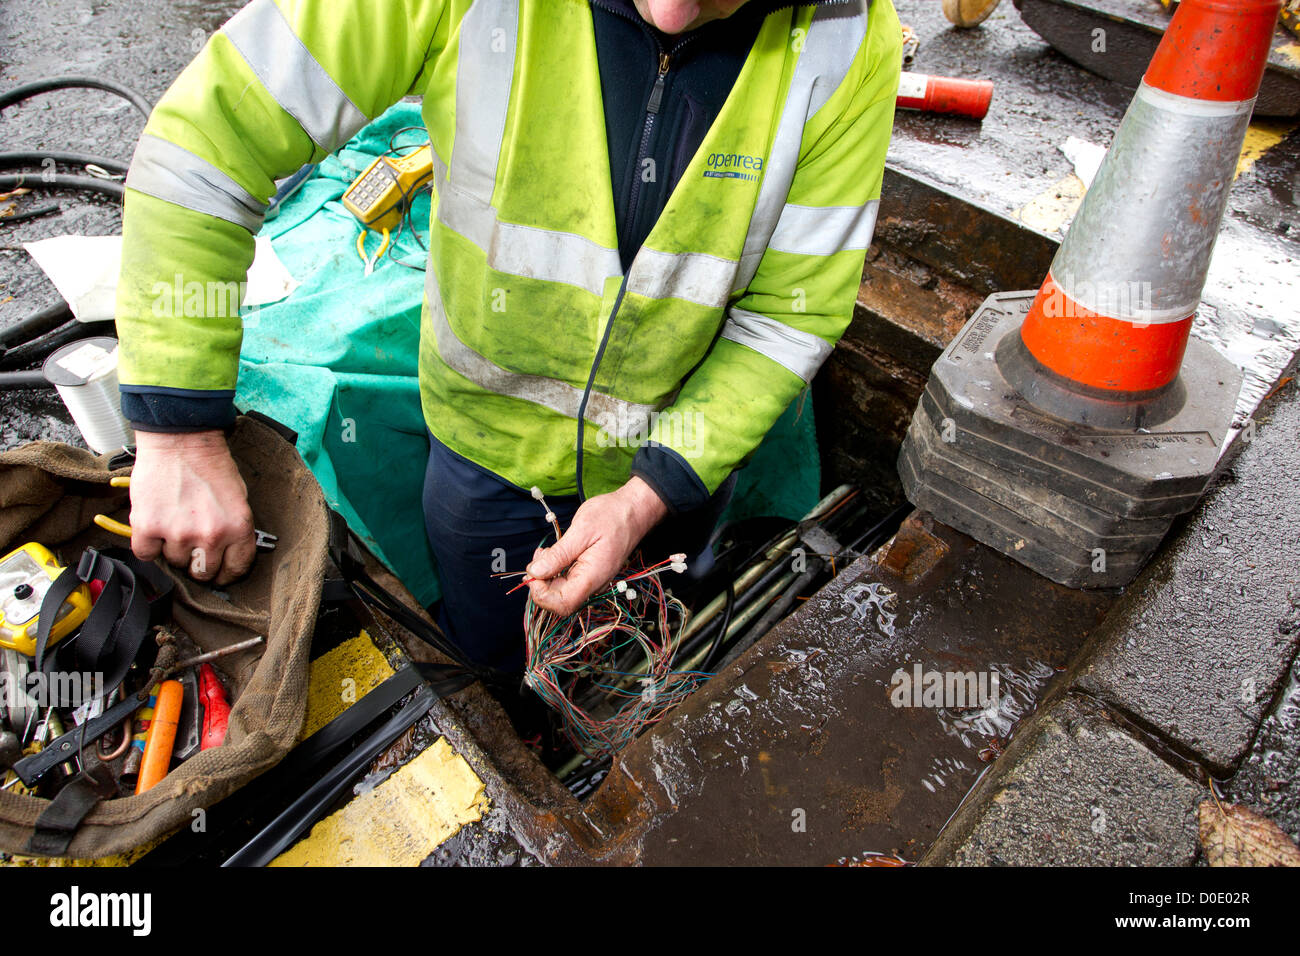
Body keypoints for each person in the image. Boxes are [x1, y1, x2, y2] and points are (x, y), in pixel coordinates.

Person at [114, 0, 902, 675]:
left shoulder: (844, 35)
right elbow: (206, 146)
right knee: (499, 665)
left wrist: (647, 495)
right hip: (485, 463)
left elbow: (787, 316)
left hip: (675, 460)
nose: (669, 14)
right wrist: (178, 429)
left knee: (648, 629)